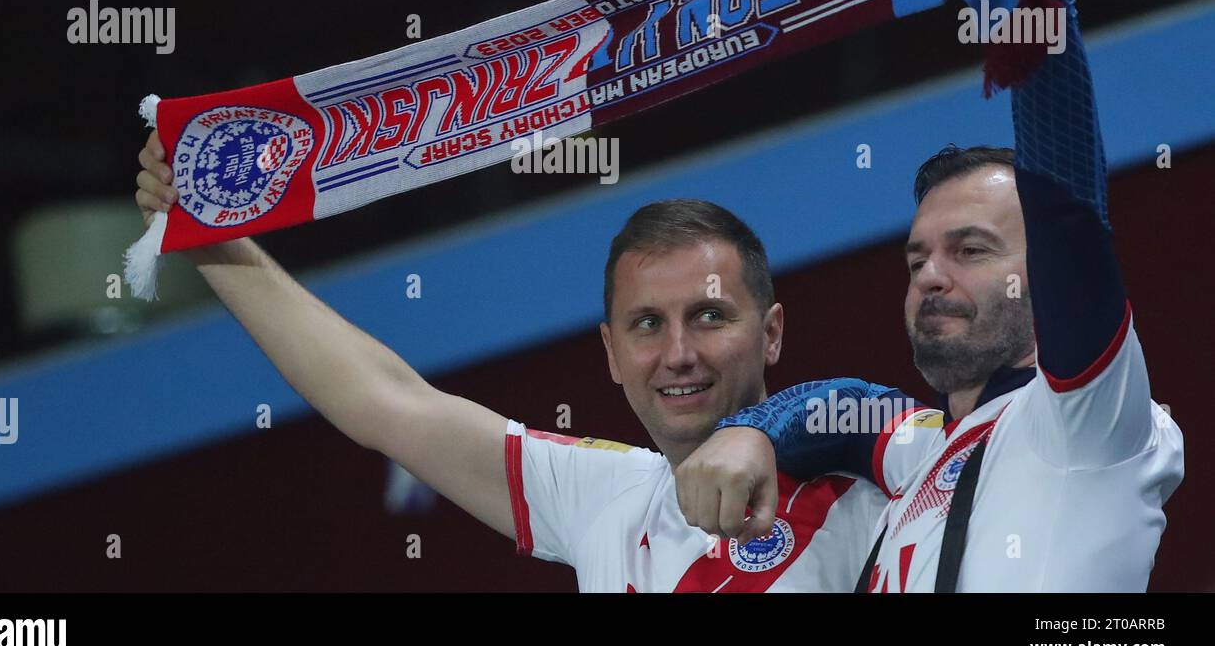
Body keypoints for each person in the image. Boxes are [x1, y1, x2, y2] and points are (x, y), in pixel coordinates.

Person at [673, 0, 1184, 591]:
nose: (930, 276)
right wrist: (750, 431)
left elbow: (1067, 207)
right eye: (918, 258)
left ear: (1041, 275)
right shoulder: (921, 445)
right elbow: (833, 407)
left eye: (970, 249)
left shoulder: (1086, 420)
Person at [134, 138, 885, 589]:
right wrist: (213, 242)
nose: (679, 353)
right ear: (611, 355)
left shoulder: (868, 483)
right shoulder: (607, 498)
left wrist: (761, 429)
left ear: (773, 331)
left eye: (711, 316)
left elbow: (936, 422)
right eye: (647, 325)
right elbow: (383, 400)